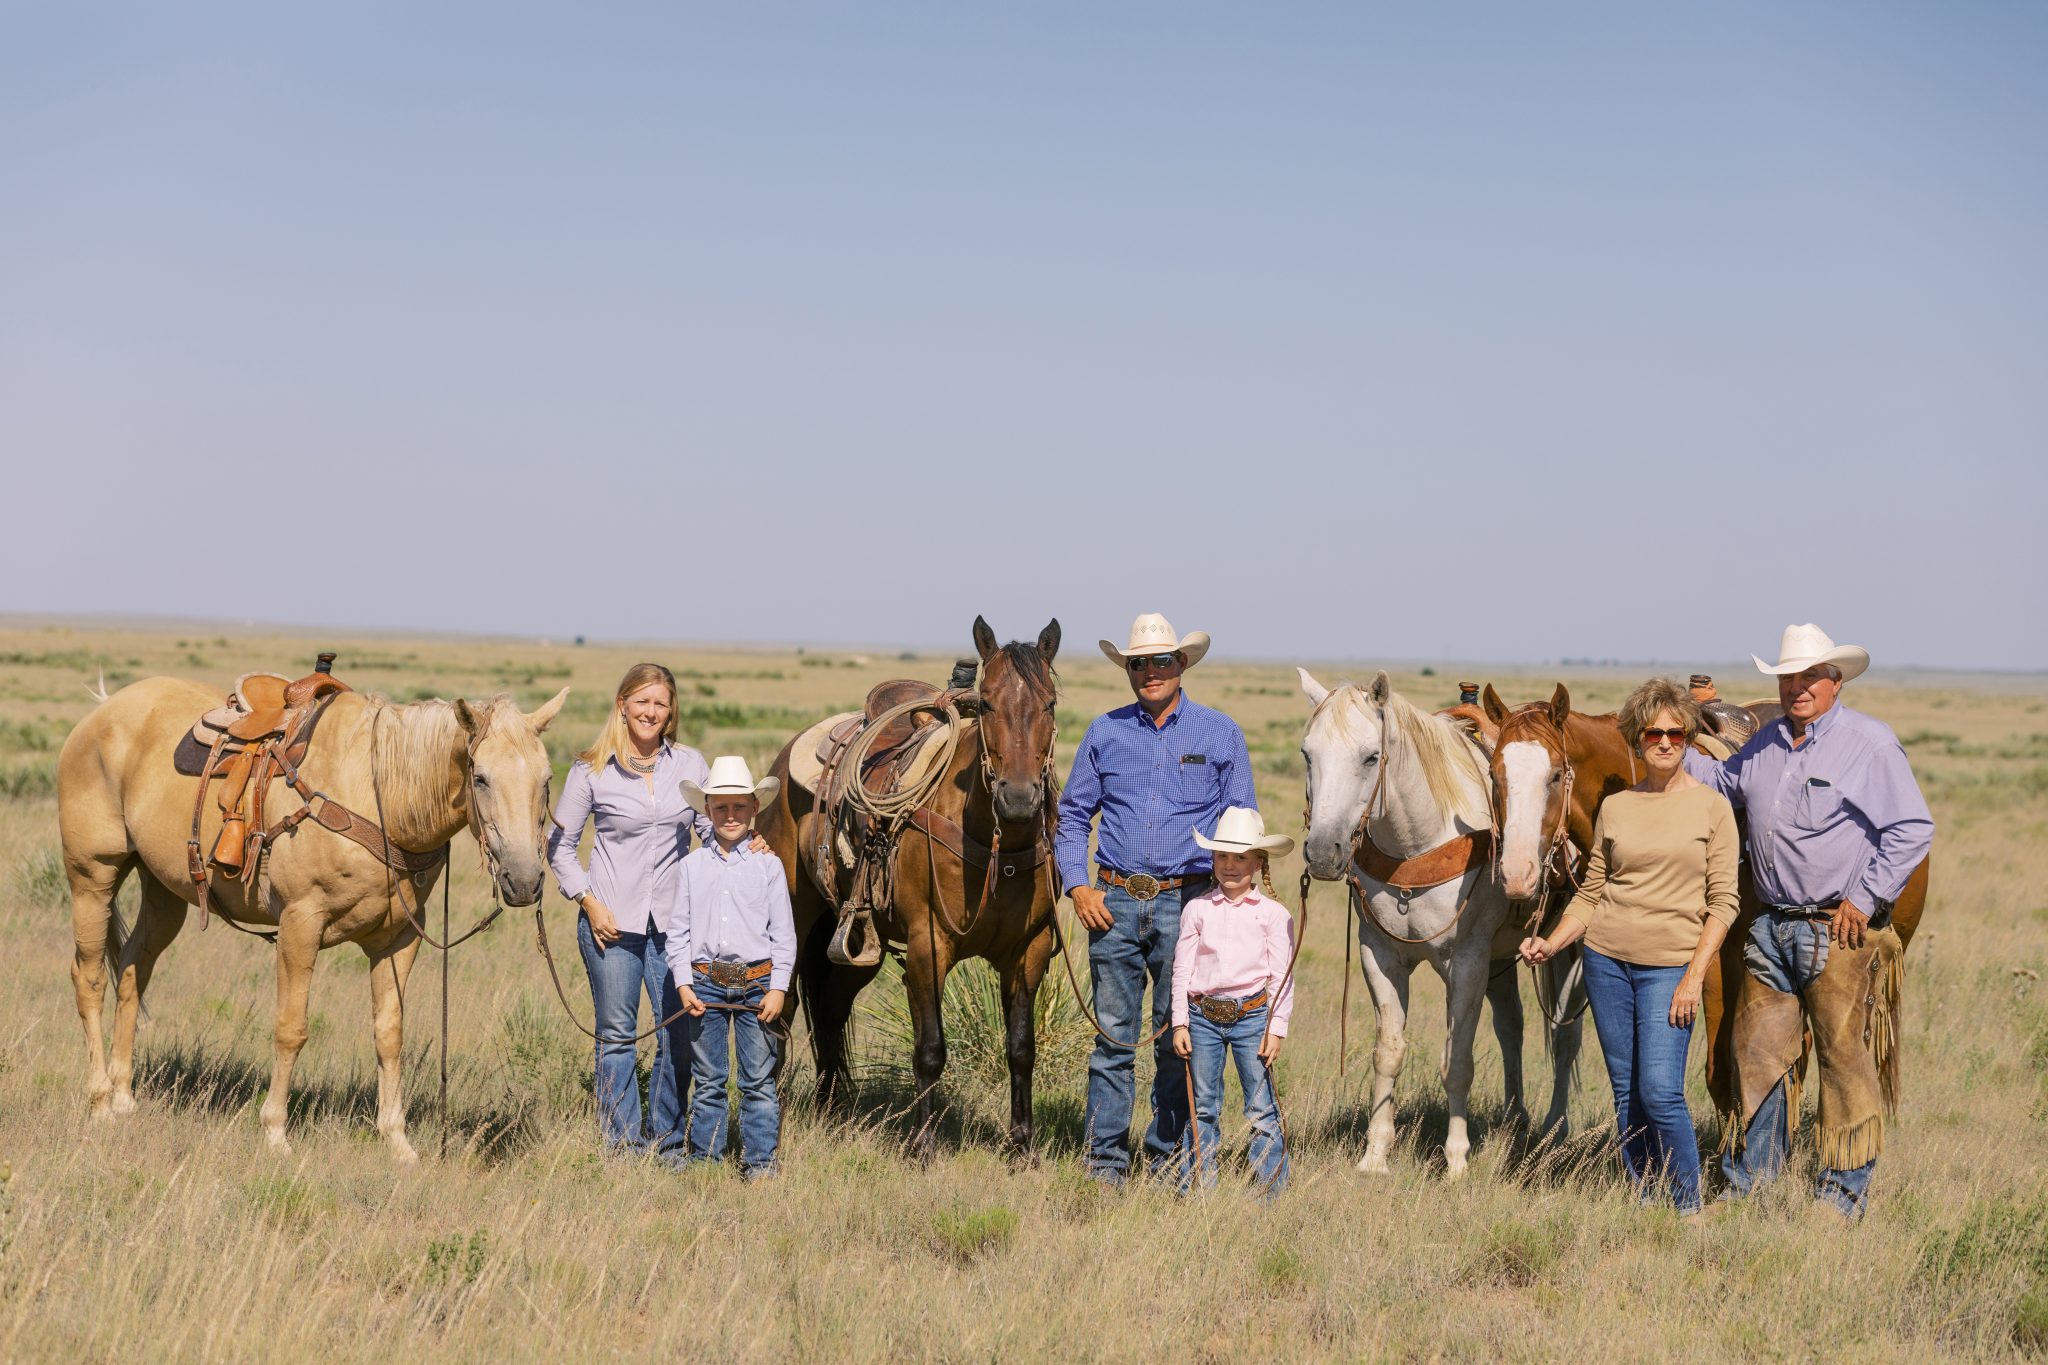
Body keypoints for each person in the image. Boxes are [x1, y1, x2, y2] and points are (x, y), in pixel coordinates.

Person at [1683, 624, 1935, 1219]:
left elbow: (1912, 829)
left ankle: (1841, 1196)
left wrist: (1864, 899)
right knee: (1757, 1057)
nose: (1798, 687)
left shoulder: (1869, 743)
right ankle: (1751, 1187)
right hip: (1770, 927)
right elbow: (1721, 783)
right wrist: (1664, 740)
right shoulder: (1765, 744)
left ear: (1835, 681)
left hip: (1838, 930)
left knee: (1843, 1060)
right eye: (1788, 677)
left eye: (1810, 677)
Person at [1520, 677, 1738, 1218]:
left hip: (1671, 968)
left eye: (1675, 733)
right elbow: (1592, 892)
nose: (1664, 742)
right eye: (1652, 733)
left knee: (1661, 1091)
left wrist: (1694, 977)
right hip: (1607, 962)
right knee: (1627, 1092)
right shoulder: (1616, 808)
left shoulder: (1713, 808)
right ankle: (1645, 1201)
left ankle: (1687, 1208)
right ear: (1637, 738)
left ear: (1688, 738)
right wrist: (1551, 942)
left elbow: (1724, 904)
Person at [1055, 613, 1255, 1185]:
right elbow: (1072, 816)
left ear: (1182, 663)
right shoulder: (1105, 732)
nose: (1150, 671)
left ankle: (1167, 1161)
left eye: (1161, 660)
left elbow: (1242, 823)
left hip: (1189, 903)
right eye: (1138, 663)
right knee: (1113, 1040)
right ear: (1128, 669)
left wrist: (1232, 907)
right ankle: (1105, 1166)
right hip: (1113, 902)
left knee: (1177, 1038)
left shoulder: (1220, 733)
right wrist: (1078, 885)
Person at [547, 663, 712, 1157]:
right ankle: (622, 1148)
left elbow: (712, 831)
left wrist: (750, 847)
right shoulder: (590, 770)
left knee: (677, 1034)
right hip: (611, 924)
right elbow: (560, 847)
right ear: (622, 705)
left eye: (660, 703)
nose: (650, 711)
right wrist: (588, 901)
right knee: (617, 1036)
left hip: (674, 927)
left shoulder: (690, 764)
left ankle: (667, 1143)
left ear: (671, 711)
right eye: (642, 701)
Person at [668, 756, 796, 1179]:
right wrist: (683, 984)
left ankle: (760, 1164)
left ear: (754, 809)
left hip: (757, 984)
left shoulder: (768, 866)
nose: (730, 815)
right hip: (705, 982)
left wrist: (778, 988)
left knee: (758, 1080)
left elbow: (784, 934)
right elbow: (678, 932)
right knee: (709, 1079)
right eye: (720, 807)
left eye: (739, 806)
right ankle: (707, 1162)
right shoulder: (690, 868)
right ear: (707, 811)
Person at [1170, 806, 1296, 1198]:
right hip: (1202, 1016)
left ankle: (1270, 1190)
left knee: (1261, 1106)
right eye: (1222, 855)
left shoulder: (1274, 915)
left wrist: (1276, 1028)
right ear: (1212, 859)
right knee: (1203, 1105)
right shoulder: (1197, 909)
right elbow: (1182, 969)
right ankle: (1200, 1189)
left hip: (1252, 1017)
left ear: (1258, 863)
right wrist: (1179, 1022)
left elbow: (1281, 977)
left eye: (1240, 857)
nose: (1230, 865)